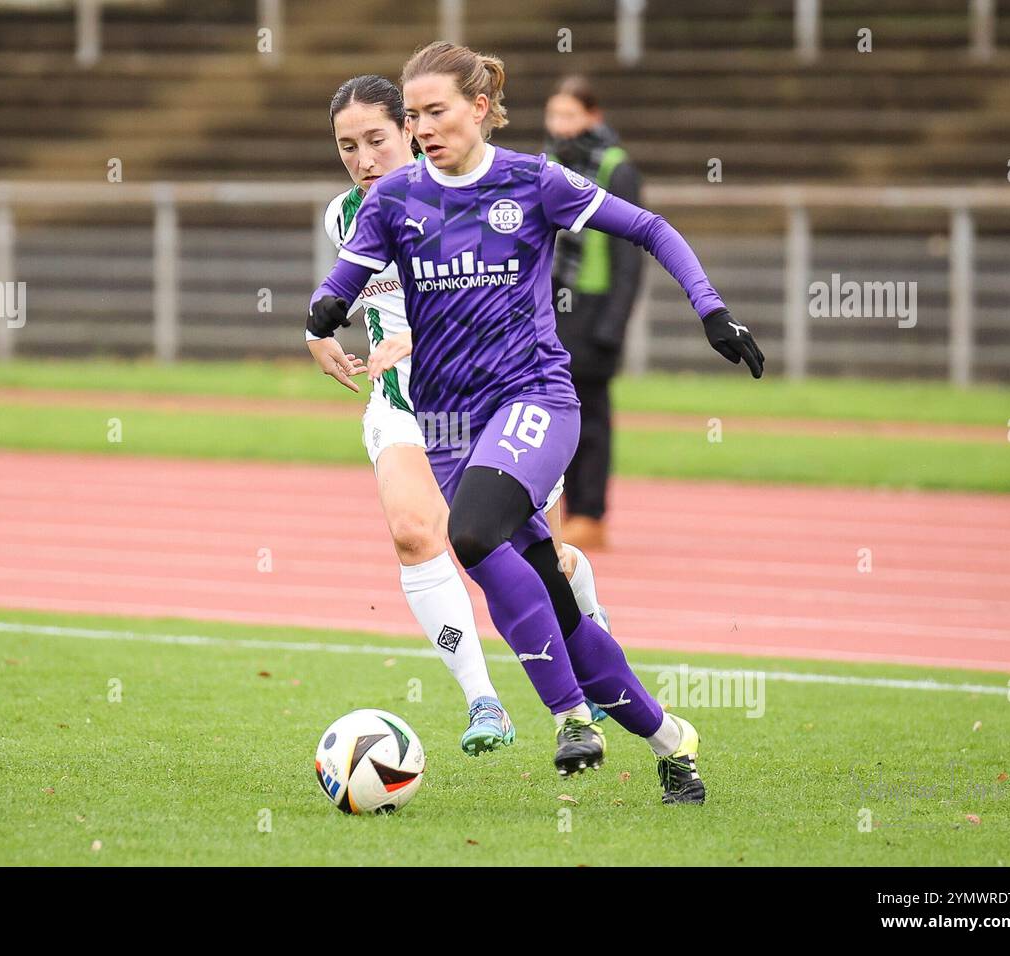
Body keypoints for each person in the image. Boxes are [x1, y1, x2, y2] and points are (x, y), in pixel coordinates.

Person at [309, 42, 764, 803]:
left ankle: (568, 716)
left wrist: (712, 310)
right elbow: (342, 282)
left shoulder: (533, 181)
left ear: (479, 108)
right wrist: (320, 316)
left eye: (434, 112)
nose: (422, 128)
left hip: (534, 400)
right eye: (413, 115)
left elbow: (650, 228)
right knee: (550, 598)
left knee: (471, 533)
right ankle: (669, 738)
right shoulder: (393, 202)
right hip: (447, 421)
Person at [305, 74, 611, 756]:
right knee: (416, 534)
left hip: (495, 401)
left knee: (539, 563)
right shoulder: (344, 215)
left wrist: (422, 332)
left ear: (412, 130)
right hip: (404, 407)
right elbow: (344, 294)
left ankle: (593, 660)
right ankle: (484, 702)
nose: (362, 159)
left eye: (376, 140)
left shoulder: (470, 195)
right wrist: (317, 336)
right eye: (346, 147)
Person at [544, 76, 643, 551]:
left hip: (596, 306)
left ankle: (590, 513)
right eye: (554, 115)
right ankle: (560, 510)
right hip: (555, 303)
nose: (560, 126)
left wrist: (614, 324)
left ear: (593, 117)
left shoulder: (616, 168)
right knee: (556, 409)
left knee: (592, 415)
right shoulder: (550, 165)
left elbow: (630, 257)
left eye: (570, 116)